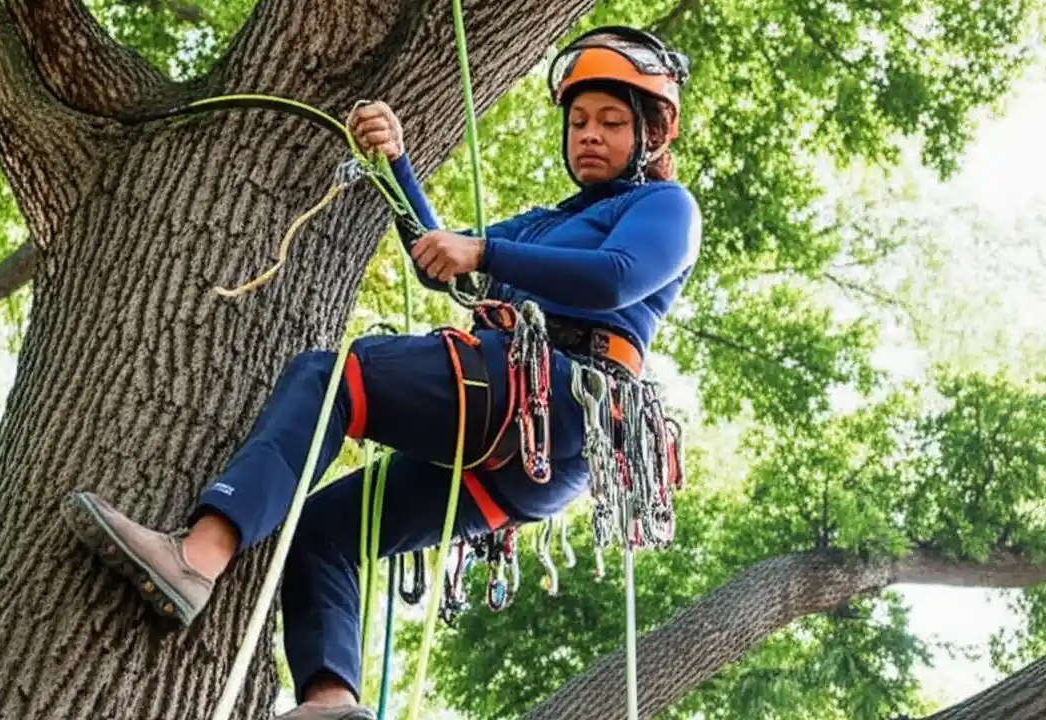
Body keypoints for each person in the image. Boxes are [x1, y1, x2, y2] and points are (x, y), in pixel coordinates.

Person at [60, 26, 700, 720]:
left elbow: (617, 278)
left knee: (329, 378)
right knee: (327, 531)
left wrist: (484, 250)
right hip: (517, 444)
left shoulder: (663, 207)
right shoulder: (543, 225)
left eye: (610, 122)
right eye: (578, 121)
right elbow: (439, 259)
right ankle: (331, 700)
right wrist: (395, 163)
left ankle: (198, 554)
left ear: (653, 133)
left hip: (554, 397)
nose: (588, 135)